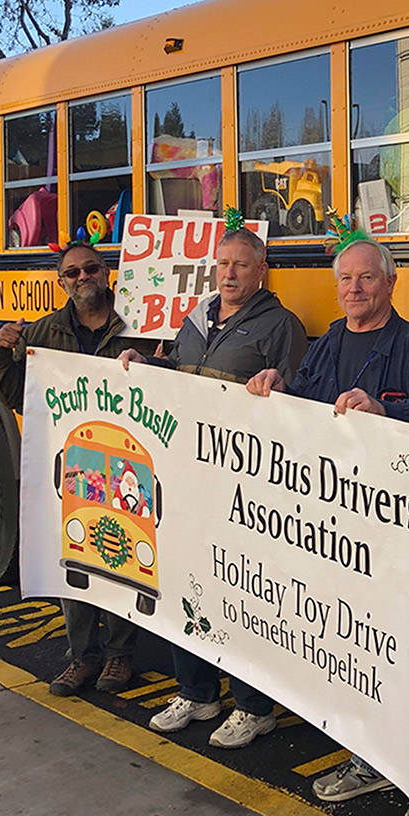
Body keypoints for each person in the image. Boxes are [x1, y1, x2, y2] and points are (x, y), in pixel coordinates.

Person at [246, 233, 409, 816]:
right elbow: (304, 407)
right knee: (353, 654)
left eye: (366, 278)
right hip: (332, 532)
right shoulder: (327, 342)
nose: (354, 289)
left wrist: (387, 413)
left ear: (392, 283)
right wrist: (276, 390)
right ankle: (368, 758)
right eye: (345, 280)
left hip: (398, 538)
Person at [119, 225, 307, 750]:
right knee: (182, 583)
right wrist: (146, 365)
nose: (228, 273)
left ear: (261, 270)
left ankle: (253, 705)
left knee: (240, 593)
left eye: (241, 265)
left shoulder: (280, 326)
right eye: (222, 264)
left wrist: (278, 386)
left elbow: (298, 402)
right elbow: (182, 374)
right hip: (185, 474)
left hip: (241, 485)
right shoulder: (197, 318)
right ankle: (197, 691)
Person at [0, 240, 159, 697]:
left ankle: (120, 655)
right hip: (75, 463)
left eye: (91, 269)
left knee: (122, 554)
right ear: (61, 282)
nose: (83, 278)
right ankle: (83, 656)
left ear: (107, 273)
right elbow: (16, 393)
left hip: (126, 460)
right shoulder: (43, 333)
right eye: (73, 273)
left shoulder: (138, 324)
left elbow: (167, 374)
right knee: (77, 558)